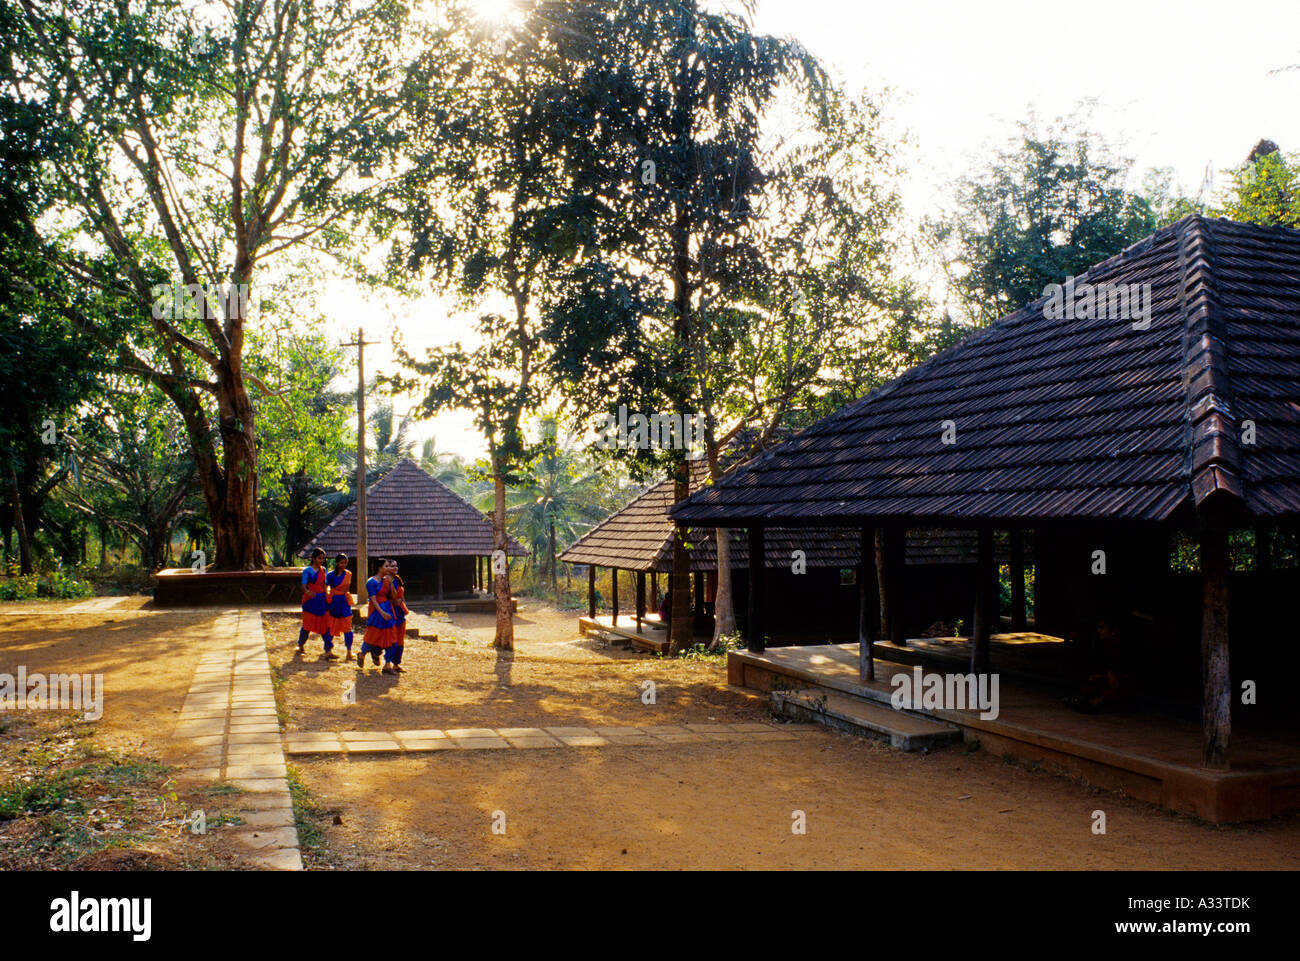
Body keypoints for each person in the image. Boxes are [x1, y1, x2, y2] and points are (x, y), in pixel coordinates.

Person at [1065, 615, 1131, 713]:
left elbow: (1124, 675)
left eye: (1102, 628)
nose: (1099, 631)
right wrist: (1101, 676)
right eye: (1098, 628)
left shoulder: (1123, 649)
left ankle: (1097, 702)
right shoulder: (1103, 646)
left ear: (1113, 631)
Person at [358, 558, 397, 669]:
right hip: (377, 611)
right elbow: (373, 600)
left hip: (387, 609)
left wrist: (392, 584)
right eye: (386, 566)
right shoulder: (371, 582)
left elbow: (394, 597)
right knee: (373, 636)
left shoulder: (387, 580)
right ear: (380, 568)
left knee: (390, 636)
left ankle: (387, 663)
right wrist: (382, 612)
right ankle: (362, 653)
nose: (388, 568)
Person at [299, 548, 336, 659]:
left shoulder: (323, 570)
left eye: (323, 558)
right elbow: (303, 585)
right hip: (310, 600)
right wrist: (308, 592)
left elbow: (324, 585)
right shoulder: (307, 571)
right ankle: (301, 645)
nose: (322, 560)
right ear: (314, 558)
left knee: (325, 624)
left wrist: (328, 596)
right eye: (320, 558)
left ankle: (328, 649)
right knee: (307, 624)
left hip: (321, 599)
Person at [326, 553, 355, 661]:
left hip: (344, 602)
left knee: (347, 627)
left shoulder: (348, 574)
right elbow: (326, 588)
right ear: (337, 563)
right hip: (333, 602)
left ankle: (349, 652)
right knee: (331, 626)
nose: (343, 565)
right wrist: (328, 598)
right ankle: (328, 651)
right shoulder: (330, 575)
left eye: (345, 563)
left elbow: (346, 588)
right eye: (341, 562)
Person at [384, 563, 410, 675]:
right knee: (392, 639)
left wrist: (402, 603)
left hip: (400, 612)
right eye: (392, 566)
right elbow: (388, 597)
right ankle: (387, 664)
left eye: (396, 566)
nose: (395, 568)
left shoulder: (398, 580)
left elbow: (401, 596)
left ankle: (396, 664)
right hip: (391, 612)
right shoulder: (384, 581)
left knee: (400, 639)